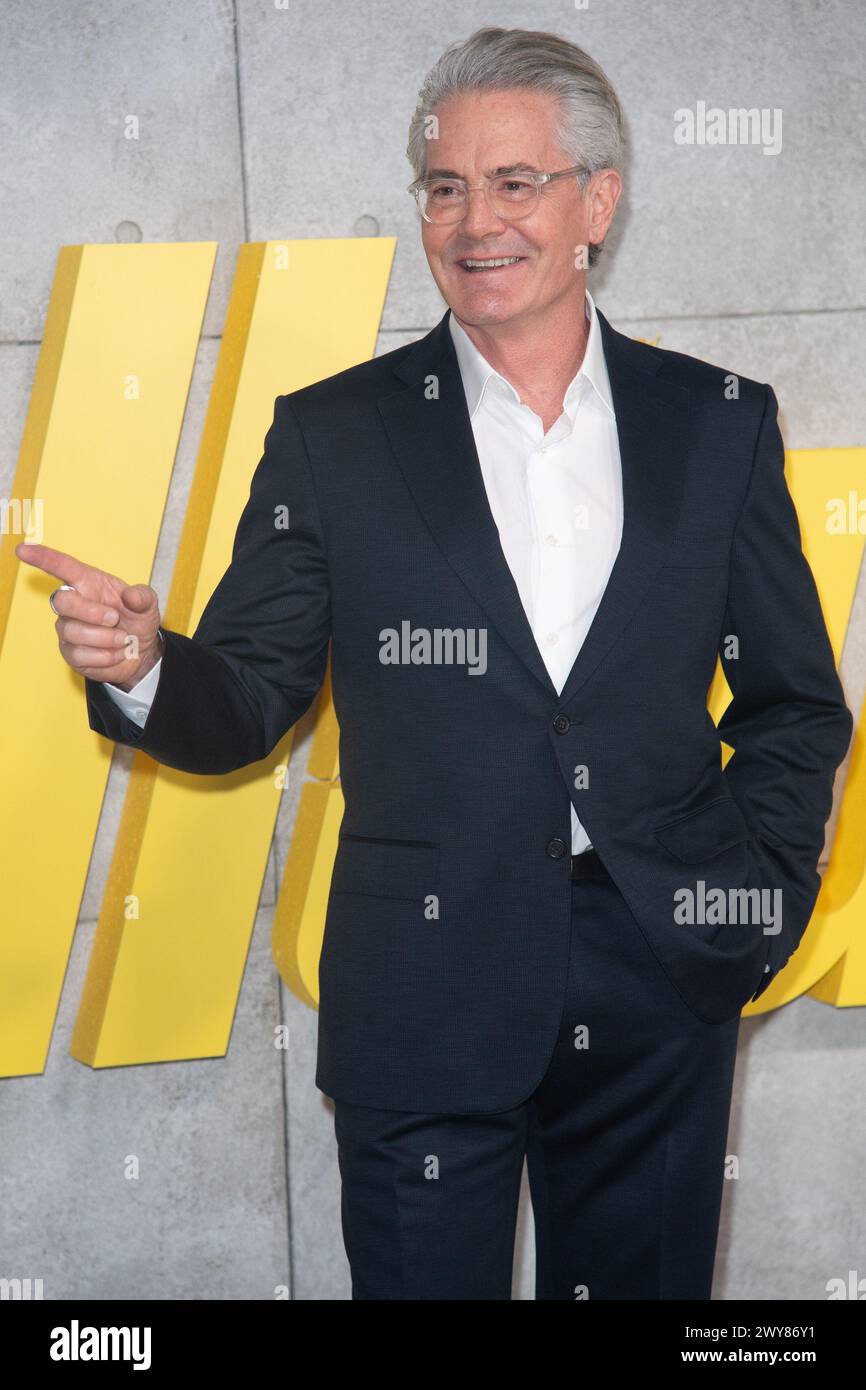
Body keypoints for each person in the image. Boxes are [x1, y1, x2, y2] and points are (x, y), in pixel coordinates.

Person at [16, 26, 852, 1299]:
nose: (475, 220)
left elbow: (793, 703)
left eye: (514, 182)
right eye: (444, 187)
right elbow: (246, 695)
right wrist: (141, 663)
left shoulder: (717, 423)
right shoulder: (334, 437)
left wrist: (750, 907)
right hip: (422, 989)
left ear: (596, 204)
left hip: (660, 977)